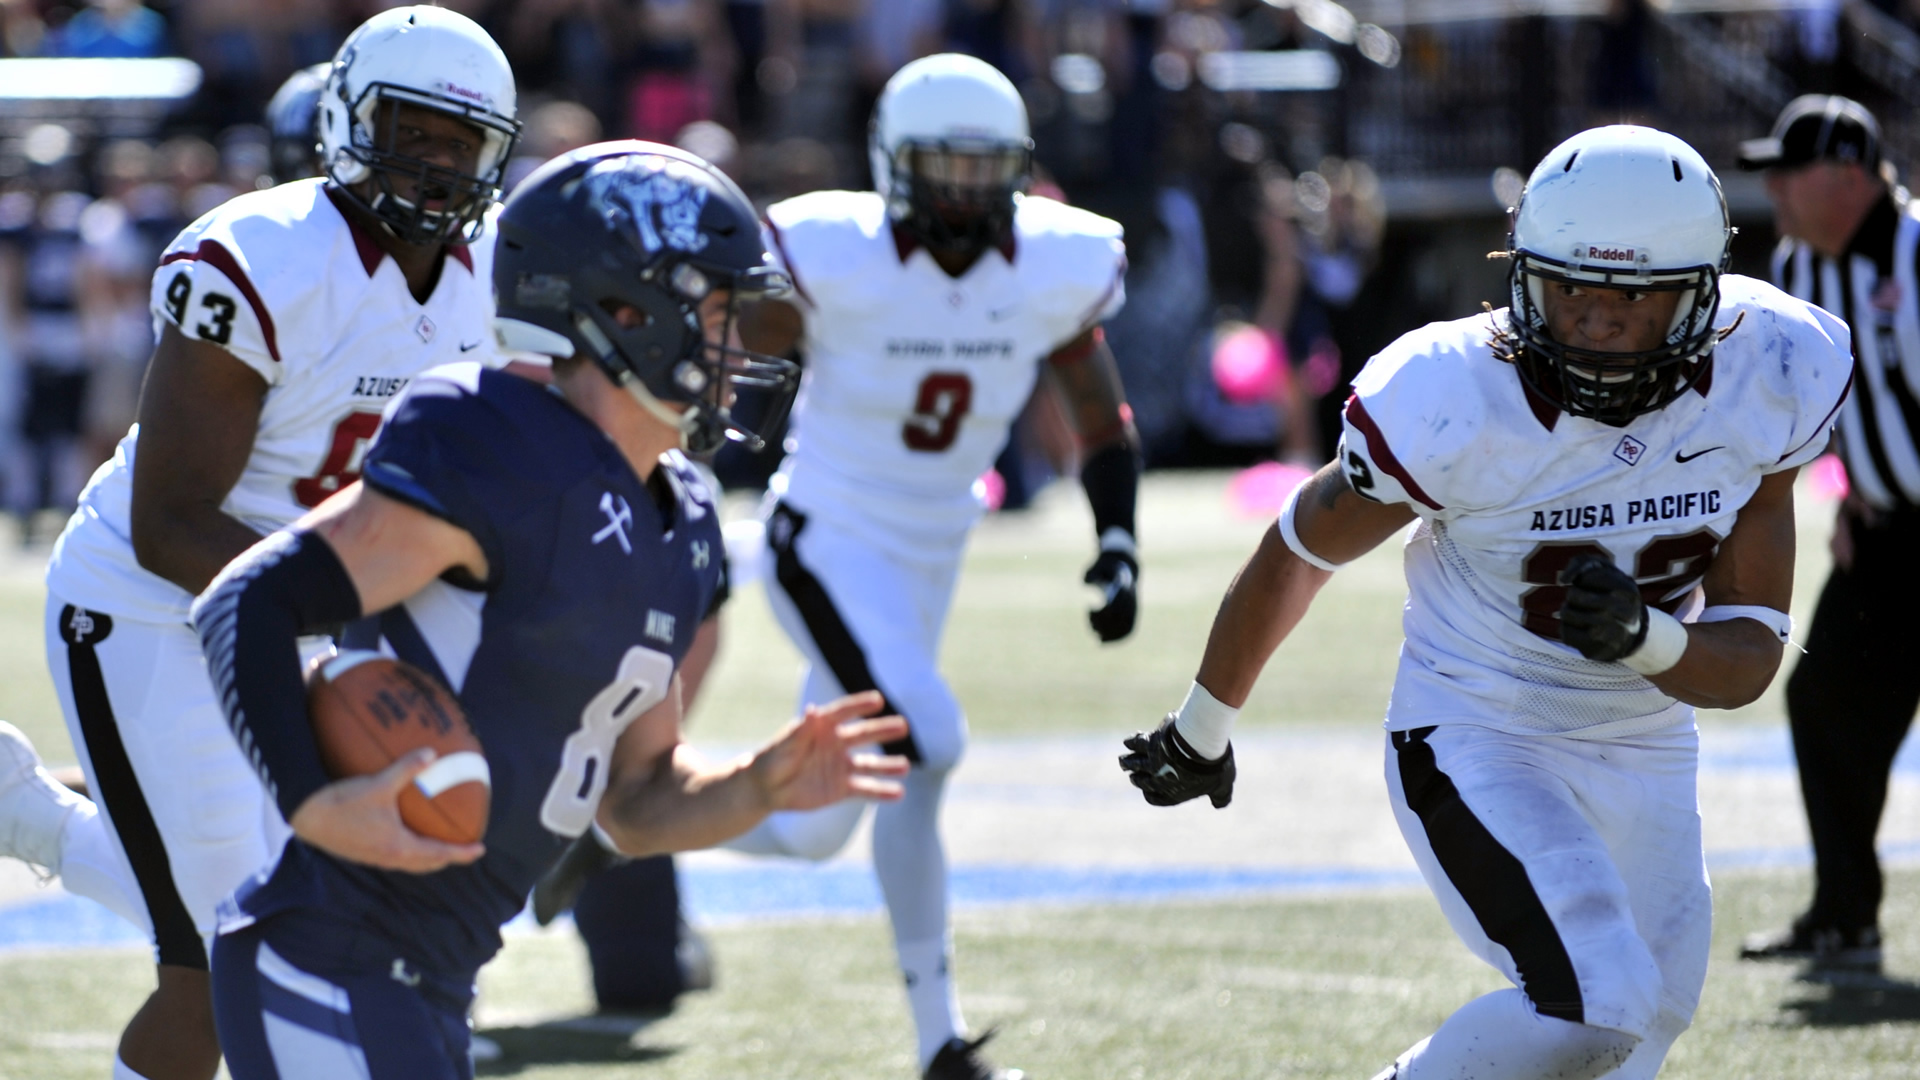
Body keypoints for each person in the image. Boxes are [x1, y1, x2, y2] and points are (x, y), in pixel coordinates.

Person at [1121, 125, 1853, 1080]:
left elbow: (1751, 647)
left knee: (1655, 1014)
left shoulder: (1773, 368)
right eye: (1569, 289)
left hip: (1645, 733)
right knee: (1595, 1003)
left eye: (1629, 302)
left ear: (1697, 300)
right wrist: (1199, 728)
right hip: (1478, 723)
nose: (1592, 322)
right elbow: (1298, 550)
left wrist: (1645, 640)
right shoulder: (1456, 393)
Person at [193, 138, 907, 1079]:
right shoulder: (495, 438)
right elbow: (246, 598)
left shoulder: (685, 518)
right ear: (624, 310)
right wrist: (312, 801)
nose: (742, 343)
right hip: (331, 958)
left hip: (433, 981)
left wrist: (759, 786)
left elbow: (639, 803)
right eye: (720, 308)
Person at [0, 9, 520, 1080]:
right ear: (346, 121)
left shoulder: (495, 278)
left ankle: (29, 817)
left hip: (314, 605)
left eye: (458, 142)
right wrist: (350, 613)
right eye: (410, 131)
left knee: (271, 914)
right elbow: (170, 519)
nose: (434, 164)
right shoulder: (261, 255)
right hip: (149, 605)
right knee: (229, 952)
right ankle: (36, 822)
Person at [725, 52, 1139, 1080]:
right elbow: (752, 379)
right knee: (928, 741)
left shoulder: (1053, 260)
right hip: (822, 540)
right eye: (942, 167)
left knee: (827, 826)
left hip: (926, 562)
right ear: (893, 166)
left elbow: (1101, 419)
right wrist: (723, 445)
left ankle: (625, 825)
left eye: (981, 167)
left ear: (1017, 170)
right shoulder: (831, 248)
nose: (963, 190)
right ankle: (942, 1044)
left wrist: (1118, 542)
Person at [1735, 94, 1920, 973]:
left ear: (1849, 176)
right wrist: (1858, 500)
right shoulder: (1798, 271)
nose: (1771, 184)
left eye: (1788, 167)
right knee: (1826, 698)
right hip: (1886, 539)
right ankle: (1845, 916)